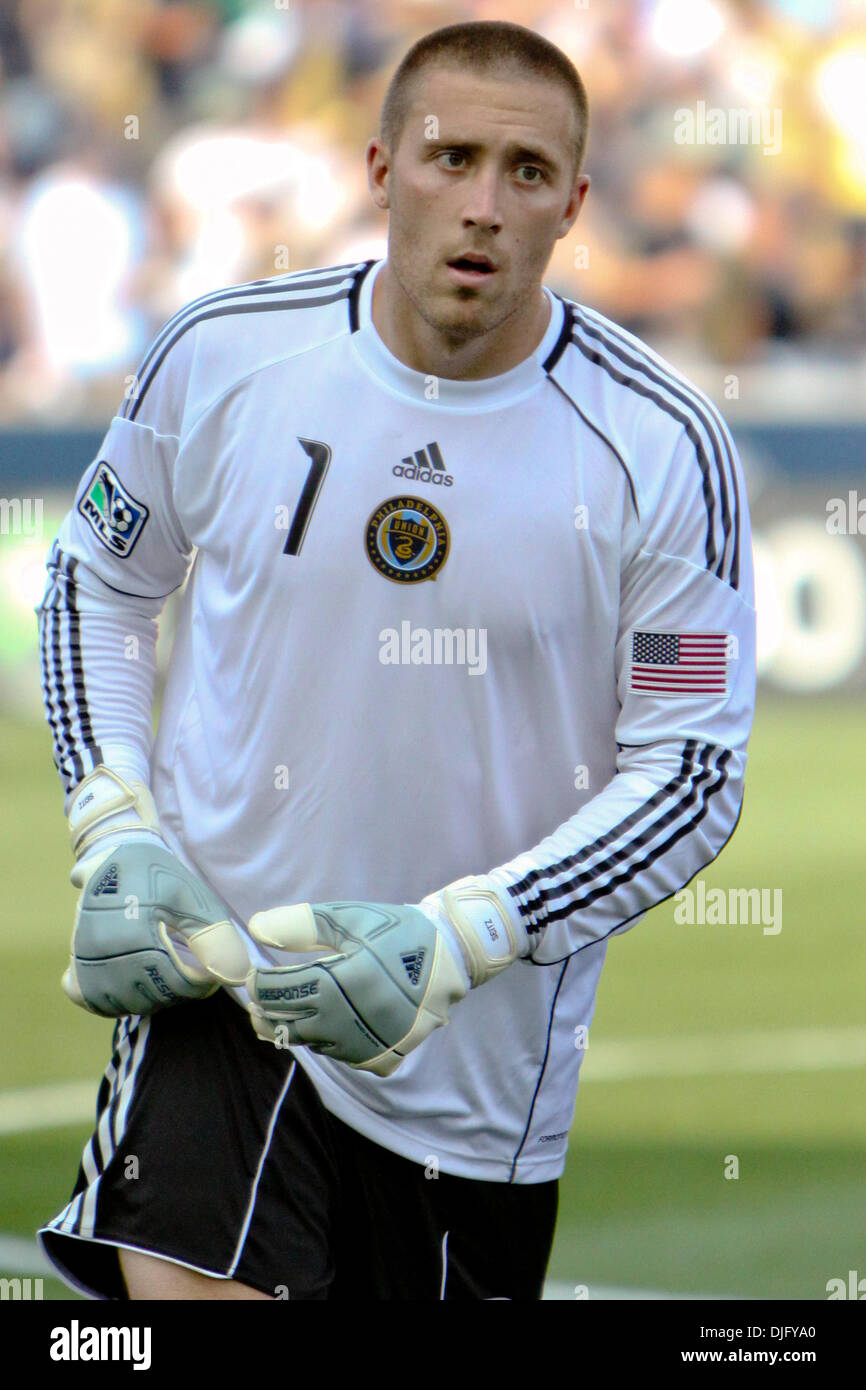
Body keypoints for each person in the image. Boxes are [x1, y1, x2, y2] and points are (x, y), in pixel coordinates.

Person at [36, 19, 755, 1302]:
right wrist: (113, 819)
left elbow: (691, 770)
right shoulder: (222, 357)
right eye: (449, 157)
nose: (481, 206)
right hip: (225, 994)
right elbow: (96, 579)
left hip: (472, 1091)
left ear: (574, 202)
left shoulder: (660, 445)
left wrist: (464, 935)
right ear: (380, 166)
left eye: (524, 173)